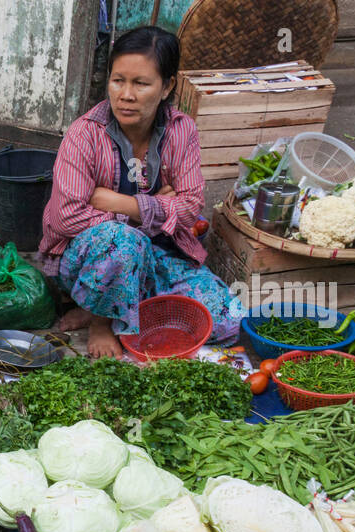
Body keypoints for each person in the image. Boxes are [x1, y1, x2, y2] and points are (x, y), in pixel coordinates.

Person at [37, 26, 245, 359]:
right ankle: (102, 321)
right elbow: (66, 218)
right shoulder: (84, 135)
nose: (126, 95)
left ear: (167, 87)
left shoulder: (181, 130)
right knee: (124, 242)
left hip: (157, 253)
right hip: (90, 258)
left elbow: (190, 207)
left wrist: (119, 202)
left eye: (141, 83)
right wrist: (158, 206)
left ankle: (128, 307)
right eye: (118, 80)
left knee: (228, 321)